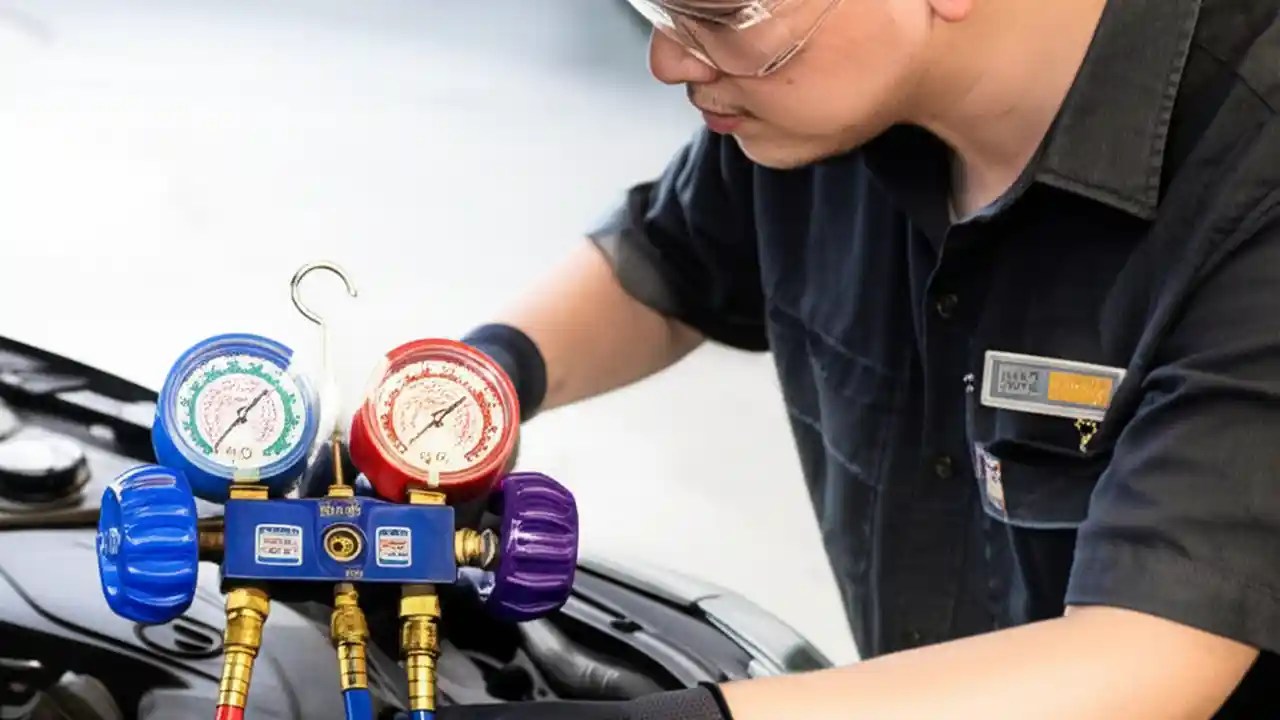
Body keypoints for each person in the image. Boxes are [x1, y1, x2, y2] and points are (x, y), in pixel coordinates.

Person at [442, 0, 1280, 717]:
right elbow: (669, 264)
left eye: (722, 13)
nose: (666, 57)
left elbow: (1143, 664)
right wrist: (473, 385)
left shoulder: (1251, 182)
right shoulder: (822, 99)